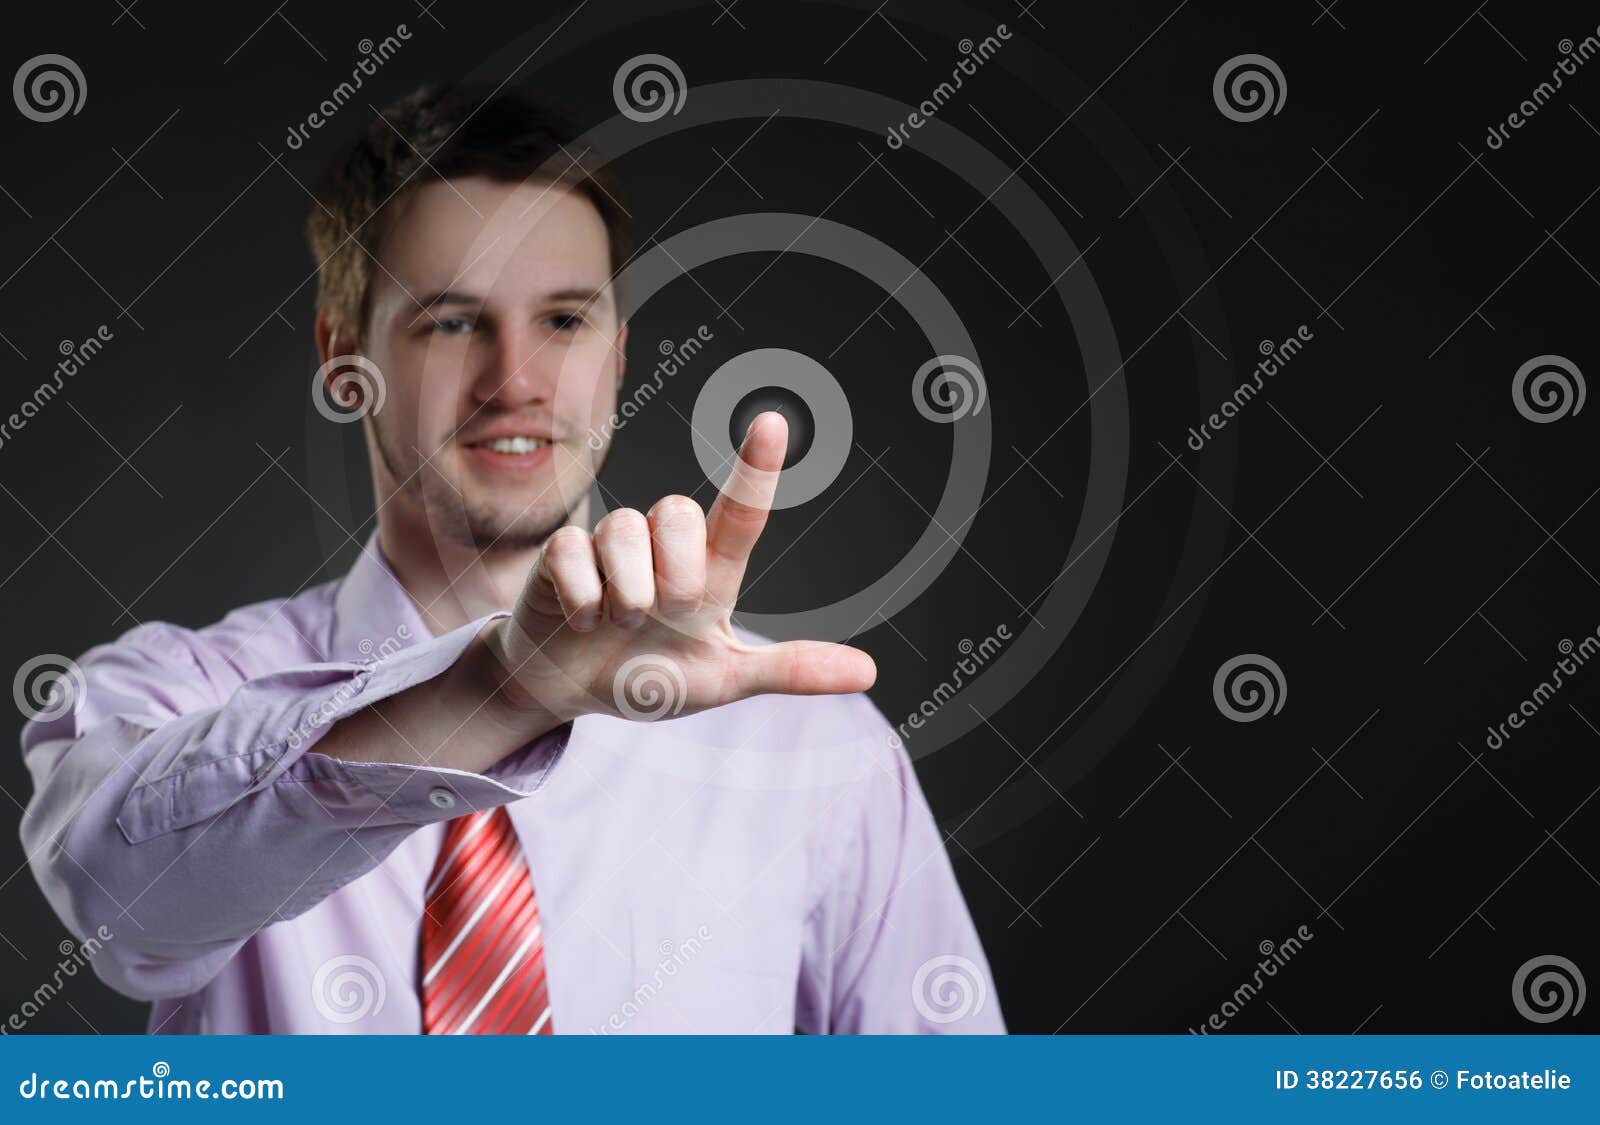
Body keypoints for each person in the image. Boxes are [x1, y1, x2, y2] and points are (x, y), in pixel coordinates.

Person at [18, 81, 1001, 1035]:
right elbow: (121, 910)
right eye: (451, 322)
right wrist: (500, 695)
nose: (516, 381)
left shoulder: (811, 751)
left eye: (564, 320)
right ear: (341, 356)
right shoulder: (167, 692)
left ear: (619, 353)